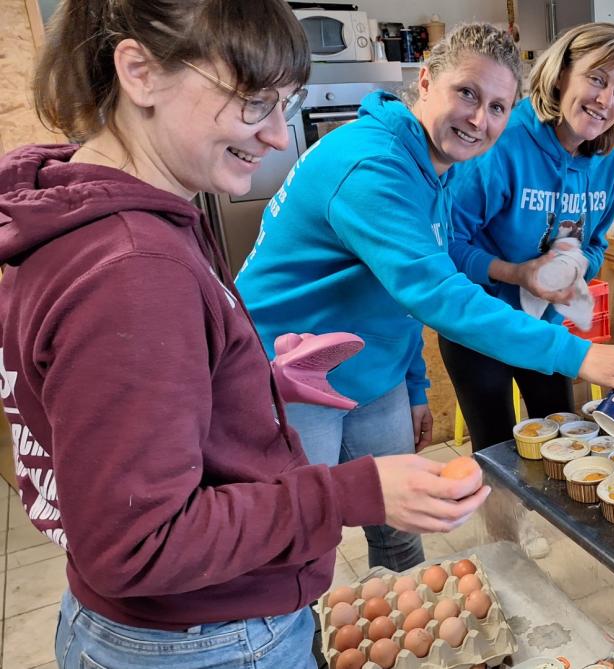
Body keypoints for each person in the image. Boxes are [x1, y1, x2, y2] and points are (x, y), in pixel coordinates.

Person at [0, 1, 490, 667]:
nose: (280, 138)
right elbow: (137, 542)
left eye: (285, 106)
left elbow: (116, 415)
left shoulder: (96, 215)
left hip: (160, 625)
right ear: (140, 72)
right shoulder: (133, 270)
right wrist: (356, 490)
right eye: (255, 103)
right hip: (201, 640)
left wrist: (248, 378)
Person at [235, 23, 614, 571]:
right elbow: (438, 292)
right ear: (425, 81)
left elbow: (400, 295)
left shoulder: (438, 168)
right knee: (301, 553)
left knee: (400, 533)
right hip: (290, 378)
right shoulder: (374, 164)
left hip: (373, 375)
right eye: (467, 93)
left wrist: (413, 384)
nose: (479, 119)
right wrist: (583, 355)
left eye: (497, 107)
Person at [443, 23, 614, 450]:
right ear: (561, 75)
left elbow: (597, 243)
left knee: (563, 442)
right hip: (479, 323)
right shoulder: (503, 141)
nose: (604, 100)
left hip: (546, 327)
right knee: (497, 452)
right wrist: (518, 274)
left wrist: (575, 266)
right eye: (596, 79)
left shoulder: (607, 159)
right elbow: (447, 246)